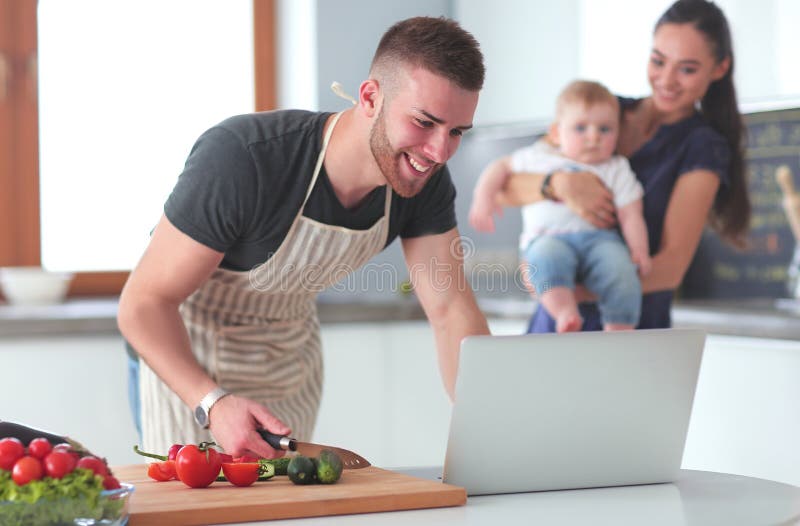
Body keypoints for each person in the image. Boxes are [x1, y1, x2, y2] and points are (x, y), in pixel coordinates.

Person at [117, 16, 490, 458]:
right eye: (424, 122)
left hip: (288, 363)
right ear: (370, 97)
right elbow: (143, 304)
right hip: (188, 364)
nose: (439, 151)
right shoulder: (243, 159)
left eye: (456, 133)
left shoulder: (423, 181)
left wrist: (491, 419)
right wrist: (212, 402)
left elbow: (450, 310)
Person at [499, 0, 750, 334]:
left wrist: (564, 291)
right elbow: (507, 188)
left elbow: (671, 267)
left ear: (719, 69)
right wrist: (559, 185)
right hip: (555, 325)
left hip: (628, 326)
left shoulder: (702, 146)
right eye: (658, 61)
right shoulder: (603, 113)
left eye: (687, 69)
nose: (666, 79)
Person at [470, 80, 651, 332]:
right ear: (556, 132)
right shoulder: (540, 157)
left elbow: (631, 213)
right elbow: (500, 167)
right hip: (547, 238)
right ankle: (565, 313)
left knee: (621, 269)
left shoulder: (615, 168)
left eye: (605, 129)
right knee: (545, 259)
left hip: (600, 240)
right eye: (580, 128)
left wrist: (639, 249)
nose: (593, 137)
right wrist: (483, 198)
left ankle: (620, 328)